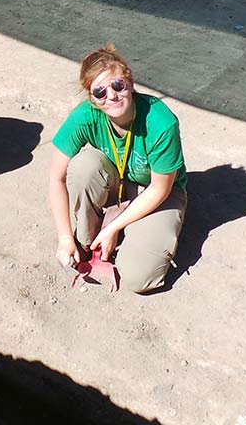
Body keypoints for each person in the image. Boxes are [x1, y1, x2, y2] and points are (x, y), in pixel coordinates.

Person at [47, 44, 187, 294]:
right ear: (92, 100)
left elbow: (159, 190)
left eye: (118, 85)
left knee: (137, 278)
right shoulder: (85, 116)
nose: (111, 96)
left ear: (130, 82)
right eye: (100, 92)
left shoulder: (161, 122)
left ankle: (116, 230)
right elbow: (56, 178)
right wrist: (65, 238)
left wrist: (115, 227)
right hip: (117, 180)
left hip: (157, 192)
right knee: (82, 166)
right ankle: (91, 241)